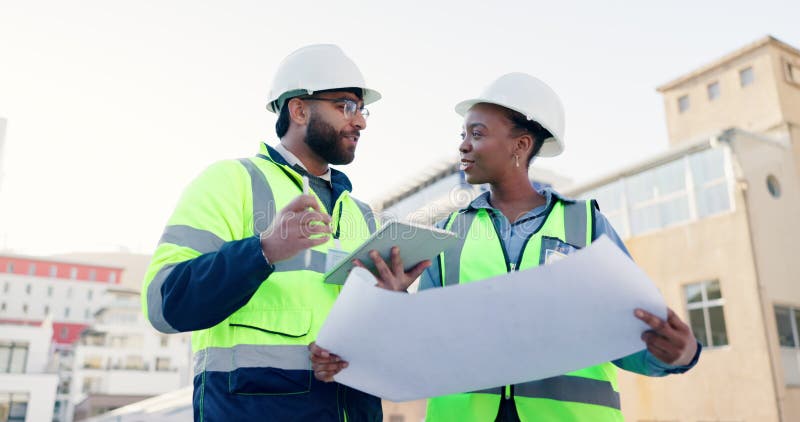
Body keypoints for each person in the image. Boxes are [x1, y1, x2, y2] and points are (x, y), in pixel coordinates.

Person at [310, 73, 702, 422]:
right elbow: (421, 348)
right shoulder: (449, 233)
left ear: (521, 144)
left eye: (477, 134)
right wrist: (389, 309)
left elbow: (629, 332)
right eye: (462, 135)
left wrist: (677, 355)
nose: (463, 147)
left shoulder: (585, 224)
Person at [141, 44, 426, 421]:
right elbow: (165, 304)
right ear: (299, 109)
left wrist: (391, 303)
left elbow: (387, 352)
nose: (361, 122)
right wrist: (263, 251)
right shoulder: (231, 182)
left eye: (362, 110)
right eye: (346, 106)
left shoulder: (361, 216)